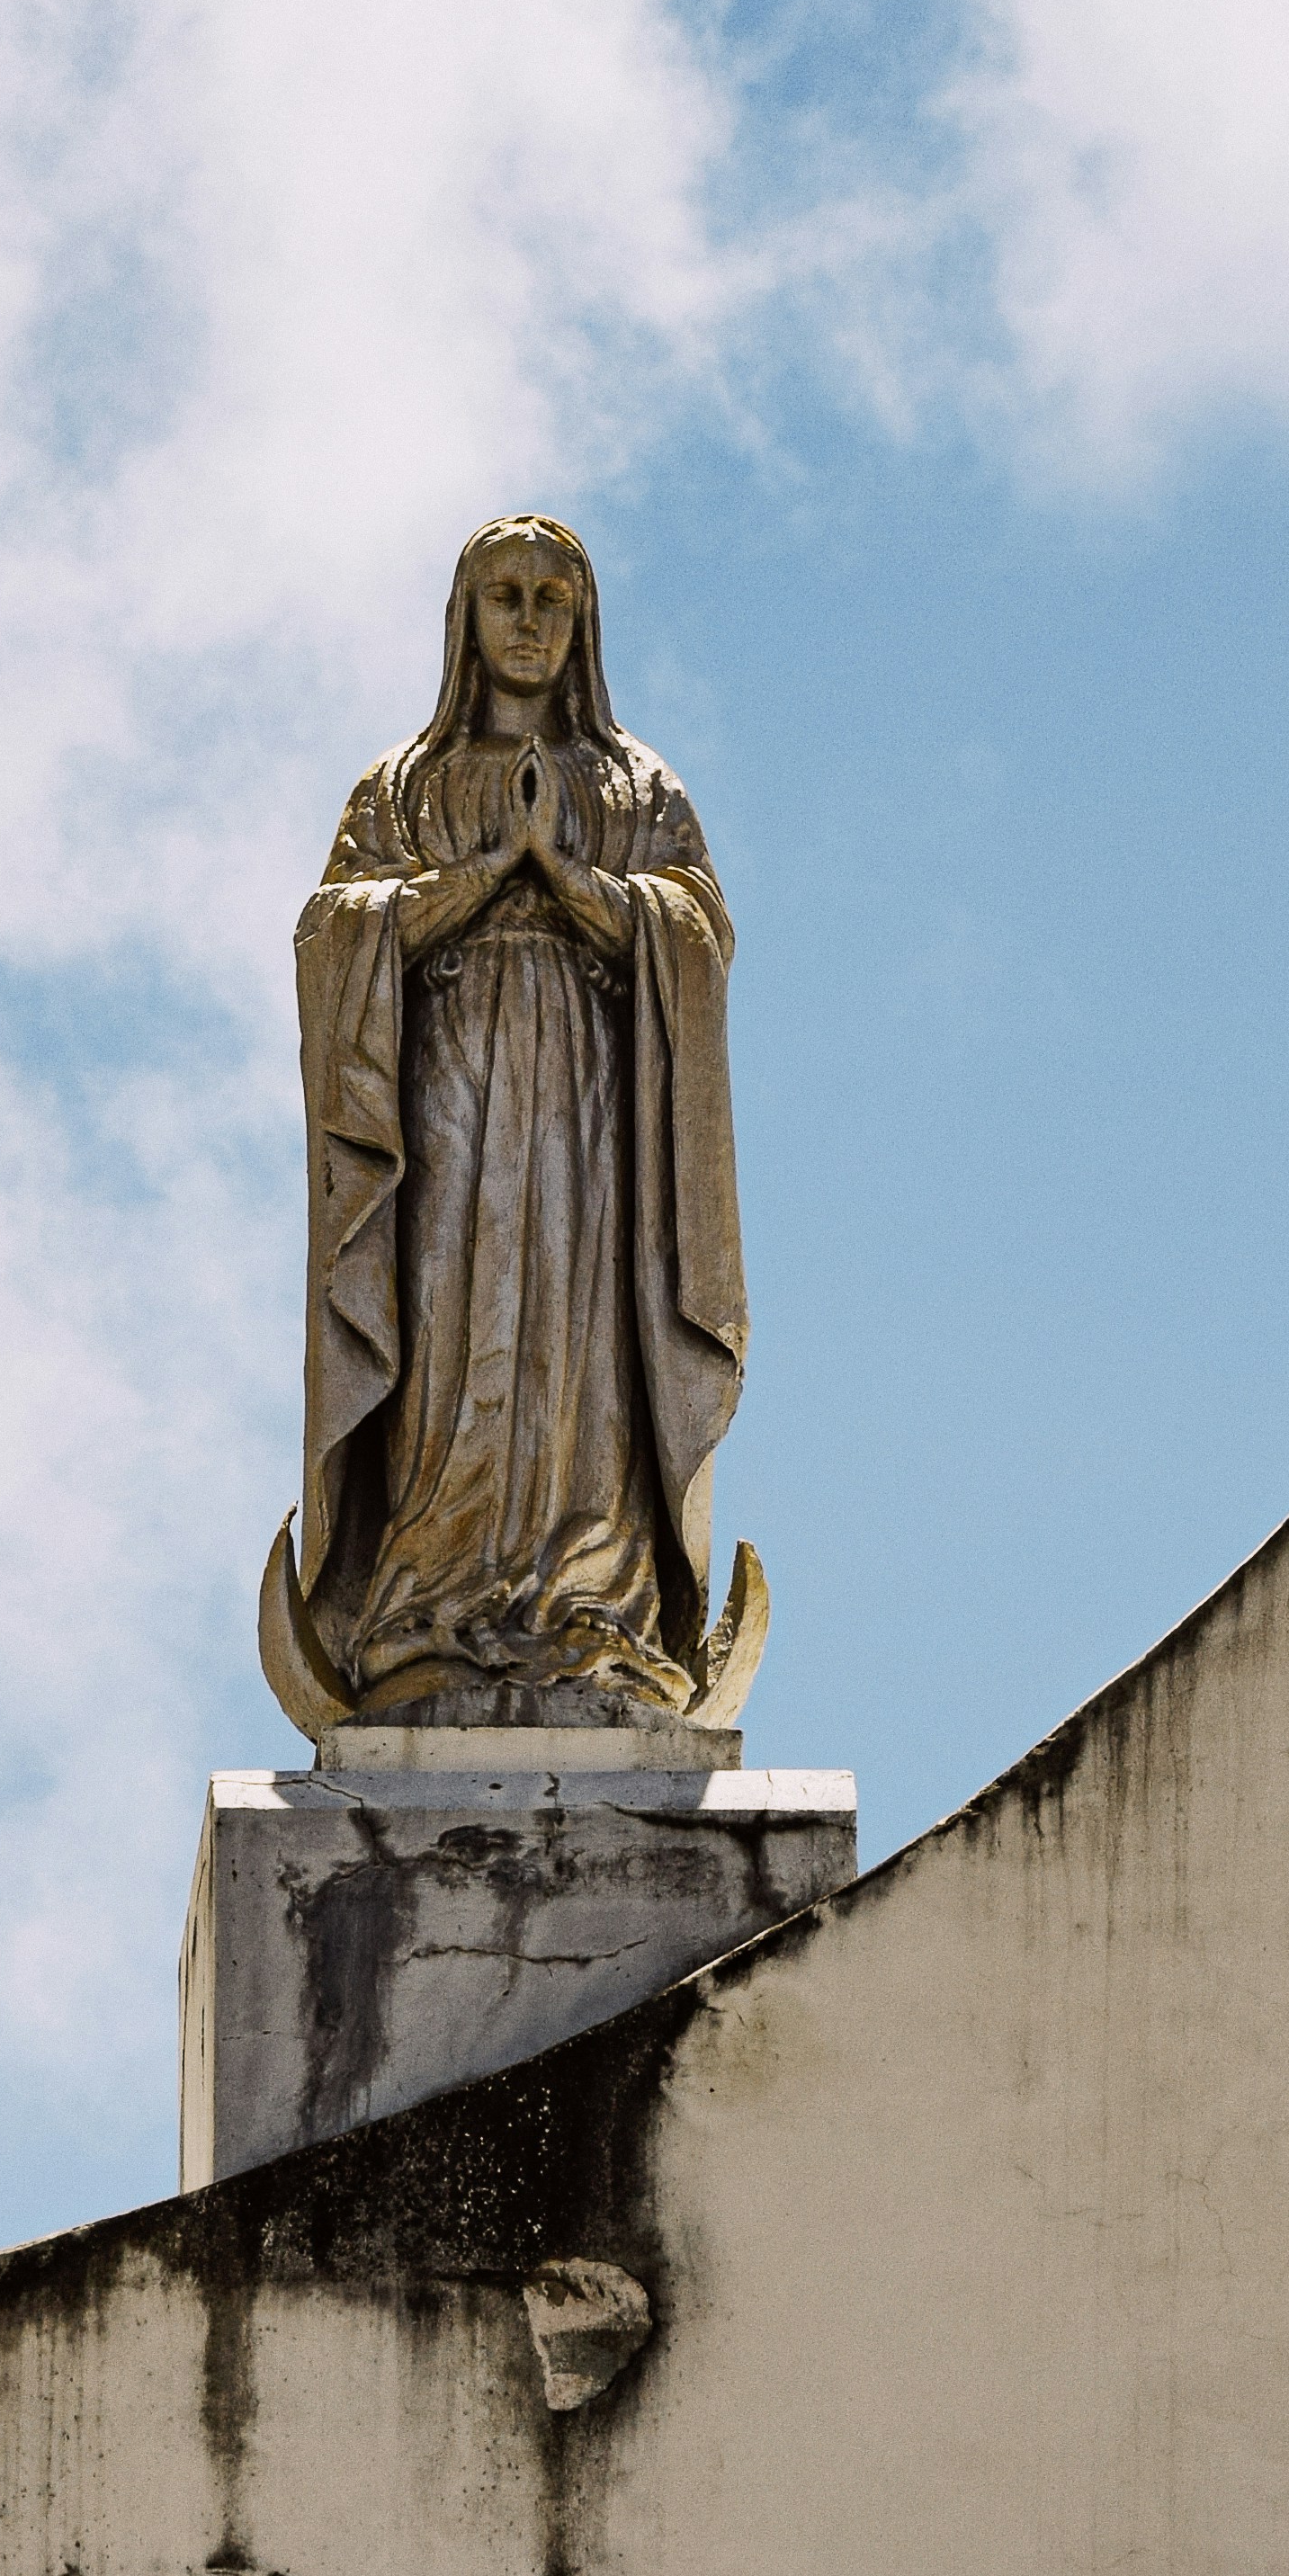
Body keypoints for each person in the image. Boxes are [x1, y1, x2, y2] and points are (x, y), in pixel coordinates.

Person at [271, 514, 750, 1730]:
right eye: (506, 597)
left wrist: (577, 884)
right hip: (445, 1101)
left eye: (552, 598)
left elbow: (699, 937)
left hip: (594, 1110)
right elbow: (333, 937)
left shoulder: (636, 787)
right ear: (464, 620)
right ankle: (430, 1594)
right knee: (451, 1326)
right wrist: (486, 877)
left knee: (581, 1338)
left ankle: (602, 1604)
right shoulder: (403, 785)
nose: (530, 621)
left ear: (583, 624)